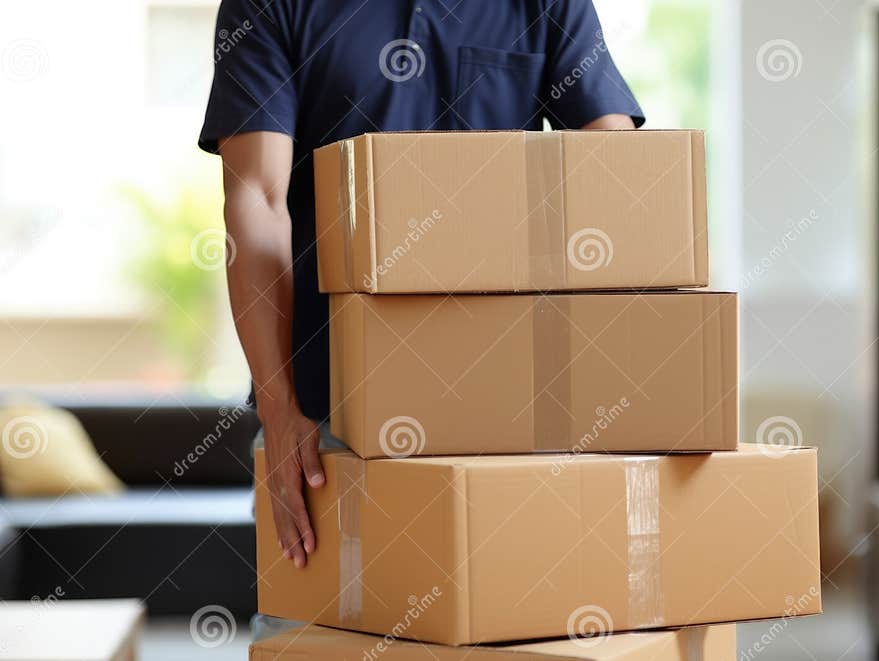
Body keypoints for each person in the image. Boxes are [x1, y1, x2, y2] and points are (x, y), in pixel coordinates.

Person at [199, 0, 644, 572]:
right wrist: (279, 408)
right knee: (321, 636)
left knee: (521, 631)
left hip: (514, 399)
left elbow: (612, 173)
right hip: (331, 410)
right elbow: (257, 199)